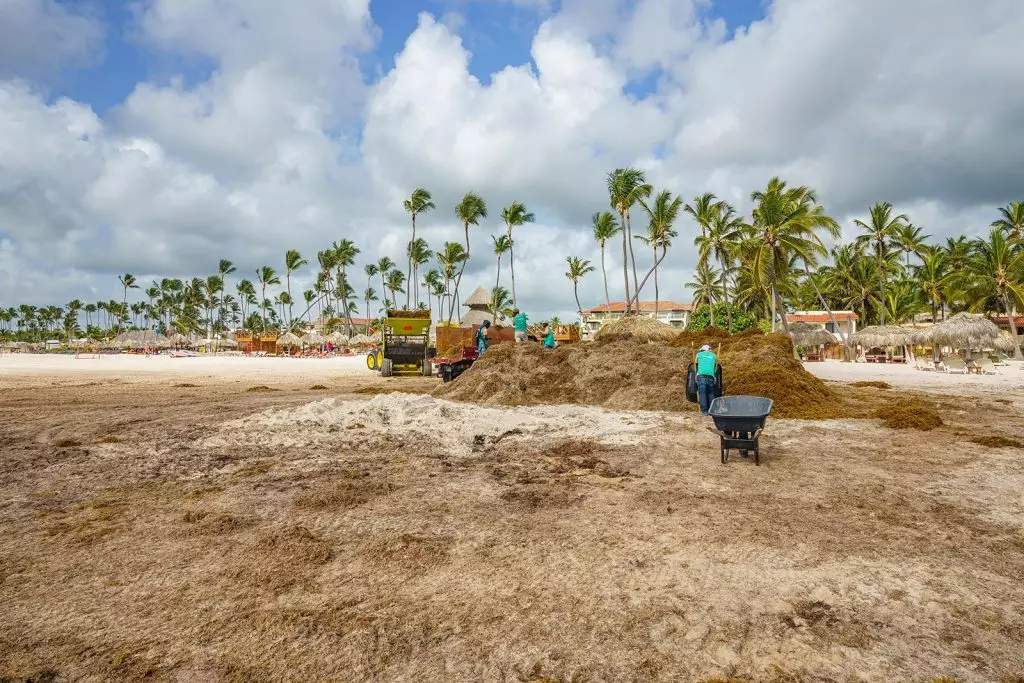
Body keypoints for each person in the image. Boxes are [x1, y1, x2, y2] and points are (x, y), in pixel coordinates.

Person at [695, 343, 718, 416]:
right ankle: (712, 411)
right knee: (711, 393)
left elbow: (696, 362)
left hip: (701, 376)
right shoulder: (714, 355)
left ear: (702, 350)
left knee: (702, 393)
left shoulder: (699, 354)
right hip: (711, 376)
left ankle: (704, 411)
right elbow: (716, 364)